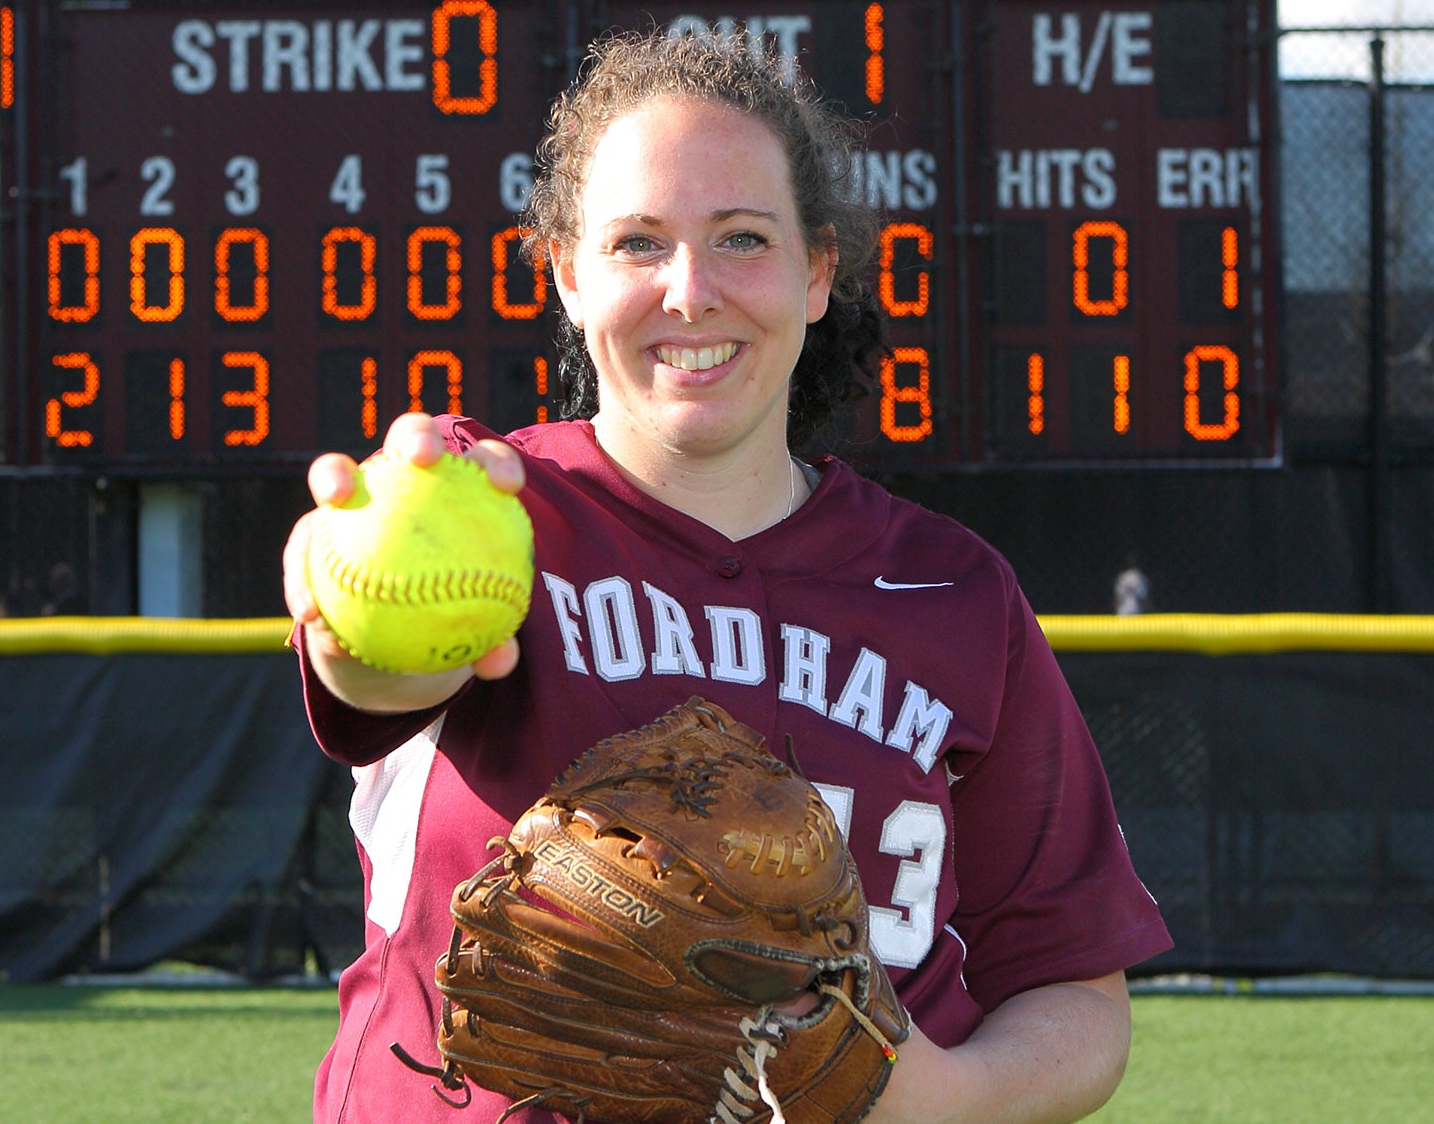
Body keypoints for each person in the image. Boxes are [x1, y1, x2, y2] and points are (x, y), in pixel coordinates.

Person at [281, 29, 1172, 1124]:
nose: (689, 291)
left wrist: (931, 1095)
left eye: (740, 238)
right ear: (565, 274)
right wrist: (350, 617)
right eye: (637, 243)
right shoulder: (486, 509)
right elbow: (368, 680)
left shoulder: (953, 594)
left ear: (815, 273)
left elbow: (1074, 988)